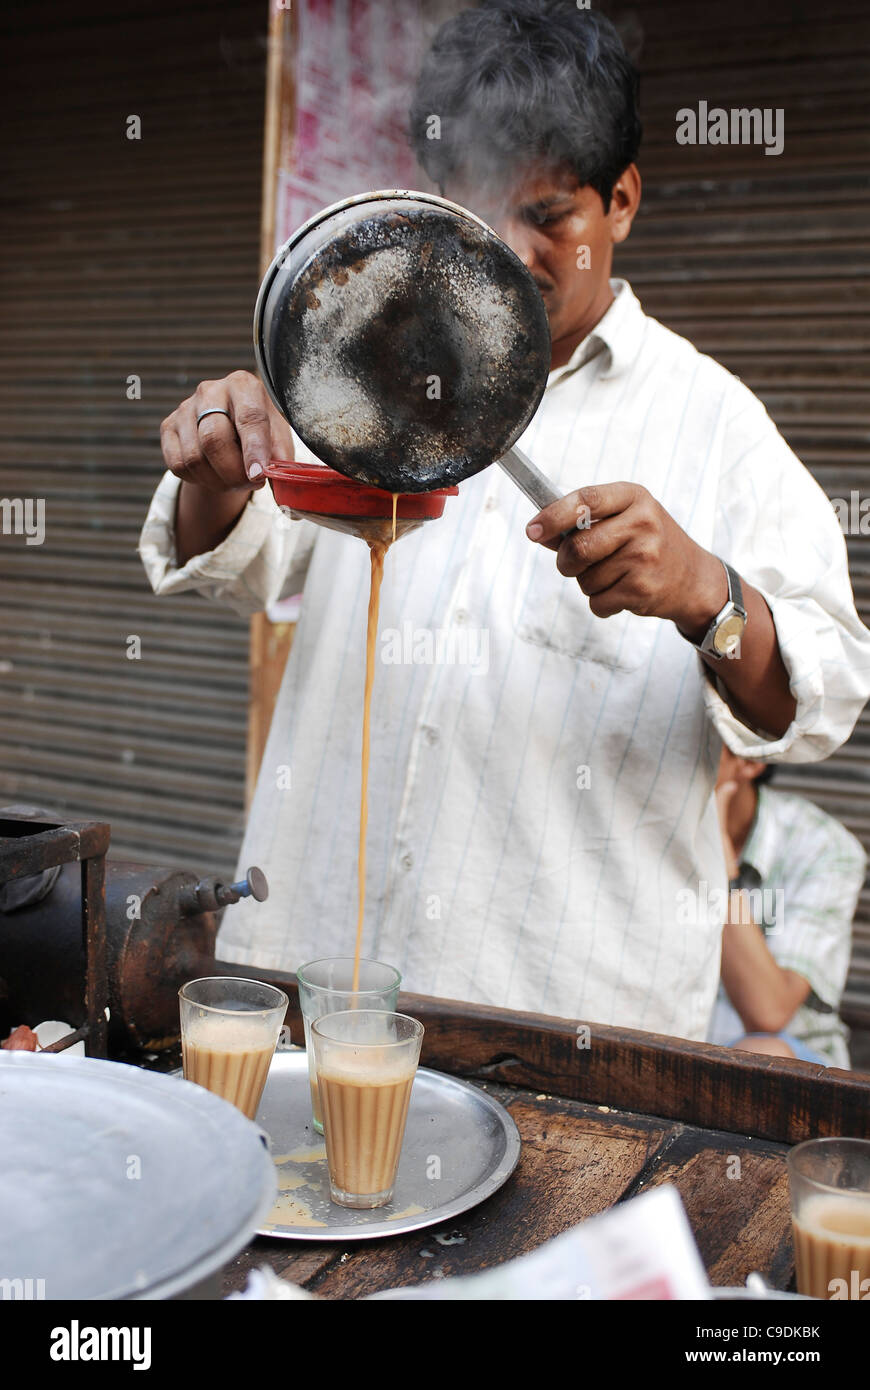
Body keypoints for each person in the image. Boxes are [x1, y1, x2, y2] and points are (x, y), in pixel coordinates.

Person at [139, 1, 870, 1041]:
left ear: (620, 201)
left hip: (563, 1032)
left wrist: (709, 597)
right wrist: (224, 460)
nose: (512, 251)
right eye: (480, 214)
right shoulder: (370, 355)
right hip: (314, 992)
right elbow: (236, 554)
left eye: (550, 217)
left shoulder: (718, 427)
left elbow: (826, 687)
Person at [708, 751, 865, 1068]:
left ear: (749, 760)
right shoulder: (643, 825)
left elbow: (768, 1012)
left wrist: (717, 856)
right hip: (673, 1053)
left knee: (759, 1059)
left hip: (783, 1063)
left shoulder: (822, 846)